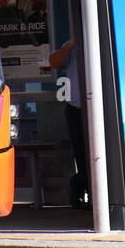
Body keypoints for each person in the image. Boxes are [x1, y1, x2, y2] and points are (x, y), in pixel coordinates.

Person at [48, 37, 89, 209]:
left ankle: (86, 187)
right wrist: (69, 46)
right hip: (76, 107)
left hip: (100, 108)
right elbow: (54, 62)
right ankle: (82, 187)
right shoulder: (74, 42)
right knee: (81, 154)